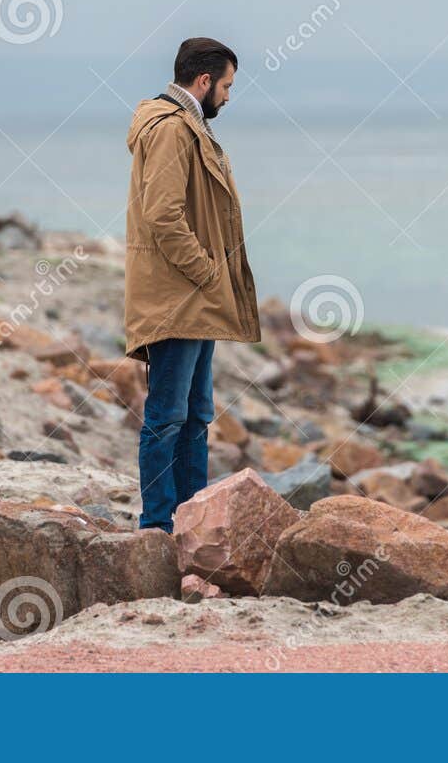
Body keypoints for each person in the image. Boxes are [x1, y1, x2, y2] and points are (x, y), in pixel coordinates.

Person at [123, 37, 260, 532]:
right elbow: (163, 214)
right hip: (175, 296)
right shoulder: (171, 131)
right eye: (225, 86)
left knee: (197, 414)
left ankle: (191, 519)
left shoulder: (188, 126)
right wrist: (206, 271)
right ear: (202, 82)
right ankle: (158, 525)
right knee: (166, 416)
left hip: (194, 299)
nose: (227, 96)